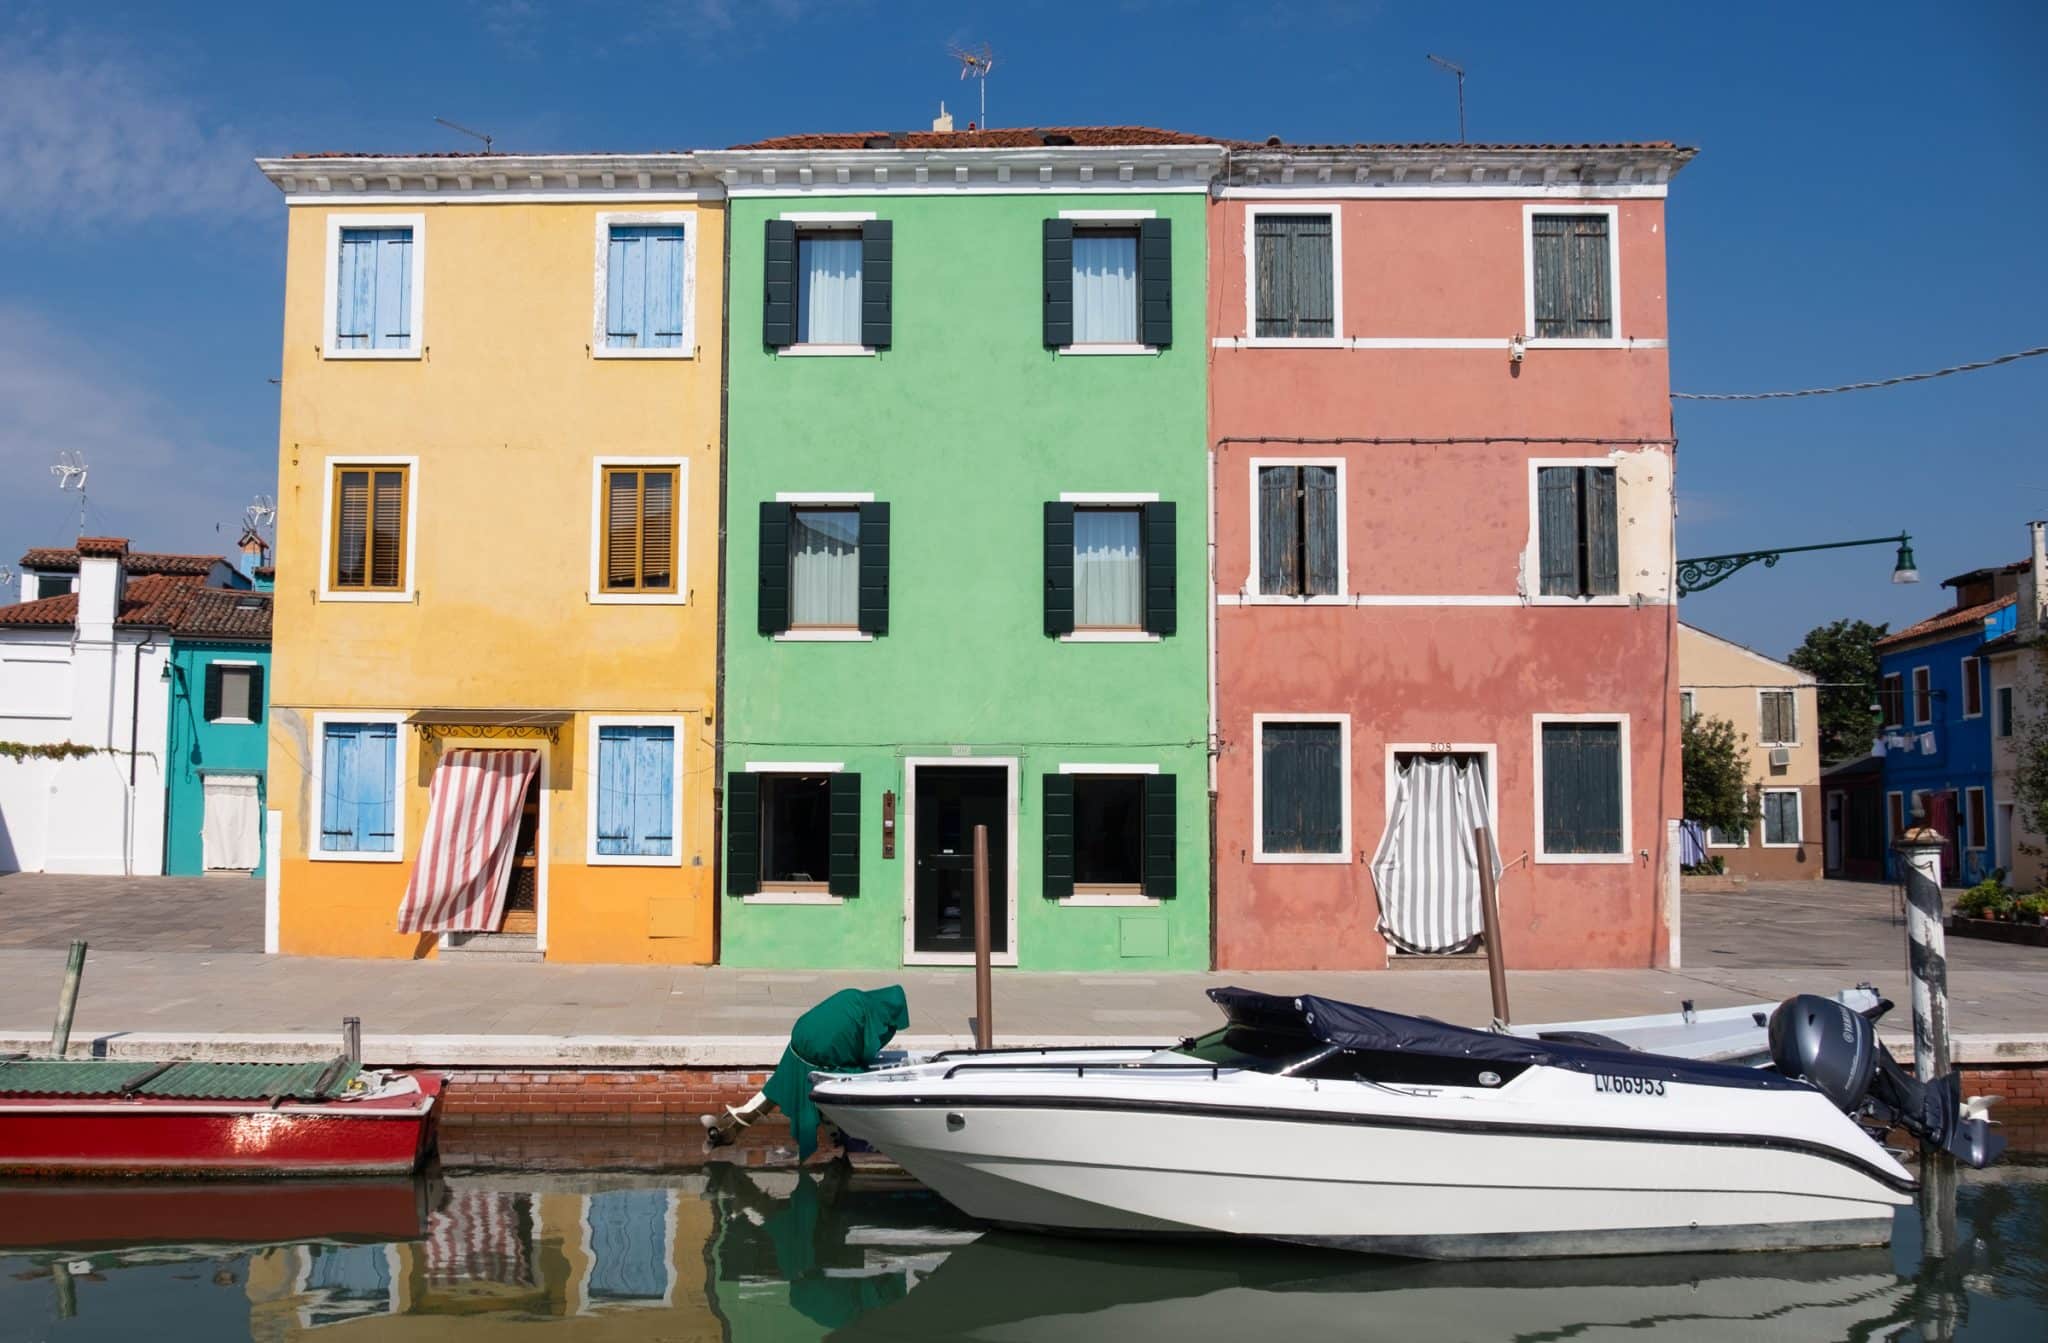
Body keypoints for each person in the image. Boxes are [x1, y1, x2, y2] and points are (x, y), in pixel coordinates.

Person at [703, 985, 911, 1160]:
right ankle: (841, 1139)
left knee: (781, 1083)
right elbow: (864, 1053)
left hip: (800, 1037)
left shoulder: (853, 996)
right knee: (851, 1077)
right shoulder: (867, 1017)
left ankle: (743, 1114)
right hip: (817, 1052)